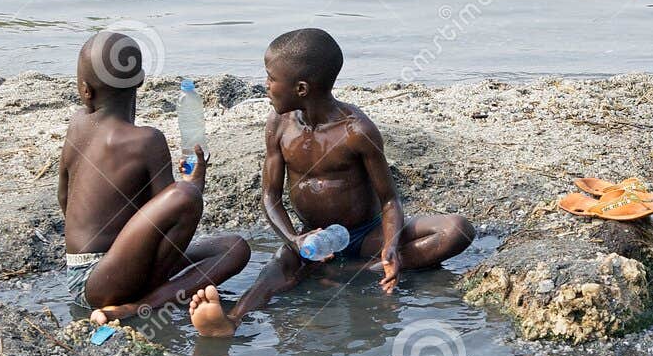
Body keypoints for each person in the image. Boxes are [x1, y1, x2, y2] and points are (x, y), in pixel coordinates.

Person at [188, 27, 475, 336]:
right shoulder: (279, 125)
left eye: (271, 78)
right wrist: (294, 240)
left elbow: (390, 200)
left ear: (300, 88)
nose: (266, 86)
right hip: (311, 239)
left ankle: (354, 271)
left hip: (366, 235)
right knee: (276, 268)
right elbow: (270, 197)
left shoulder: (356, 131)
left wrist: (390, 247)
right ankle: (232, 319)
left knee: (457, 230)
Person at [58, 30, 248, 324]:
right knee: (184, 196)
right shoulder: (147, 141)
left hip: (109, 269)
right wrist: (194, 186)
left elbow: (64, 197)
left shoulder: (78, 124)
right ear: (141, 81)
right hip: (100, 282)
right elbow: (171, 226)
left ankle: (137, 302)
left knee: (235, 248)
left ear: (85, 90)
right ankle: (142, 306)